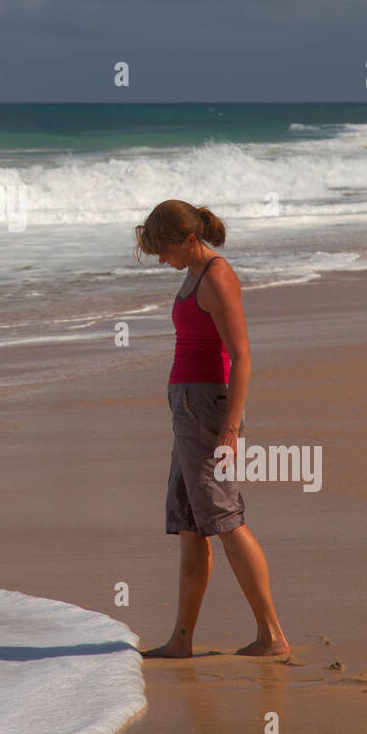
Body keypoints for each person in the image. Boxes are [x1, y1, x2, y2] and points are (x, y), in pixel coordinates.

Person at [134, 199, 289, 658]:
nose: (163, 259)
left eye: (165, 249)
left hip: (207, 409)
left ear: (187, 239)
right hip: (188, 410)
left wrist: (230, 430)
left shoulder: (217, 275)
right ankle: (181, 640)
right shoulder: (191, 274)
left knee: (225, 519)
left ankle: (272, 635)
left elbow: (241, 356)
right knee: (189, 525)